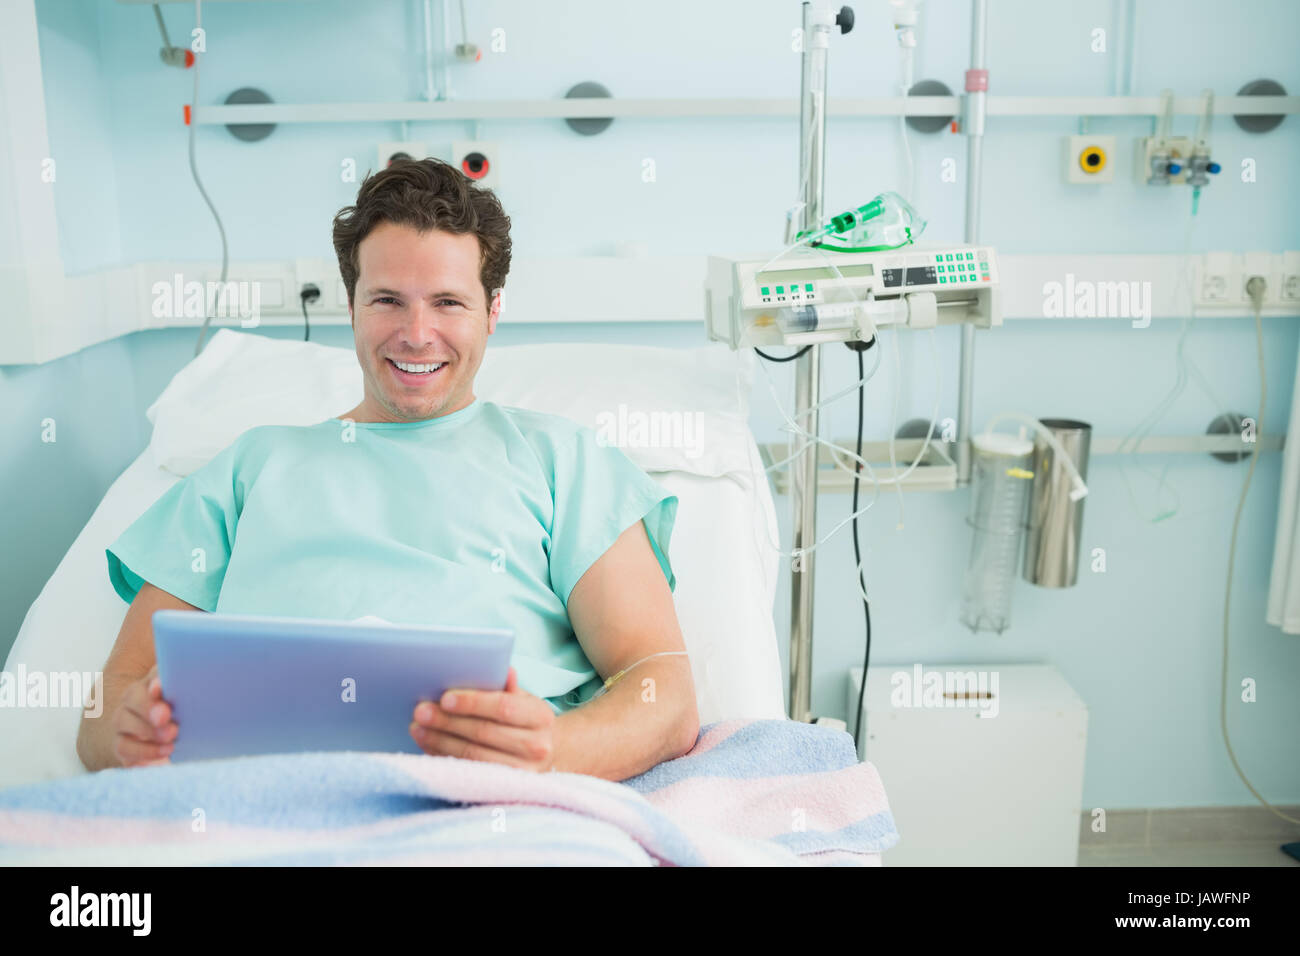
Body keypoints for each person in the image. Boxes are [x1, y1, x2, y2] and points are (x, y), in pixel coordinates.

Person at [76, 158, 698, 781]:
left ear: (493, 311)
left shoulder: (565, 463)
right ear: (351, 306)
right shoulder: (248, 469)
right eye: (388, 301)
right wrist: (128, 735)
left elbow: (662, 690)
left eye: (449, 302)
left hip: (492, 799)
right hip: (260, 796)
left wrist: (552, 751)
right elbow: (108, 709)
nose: (417, 334)